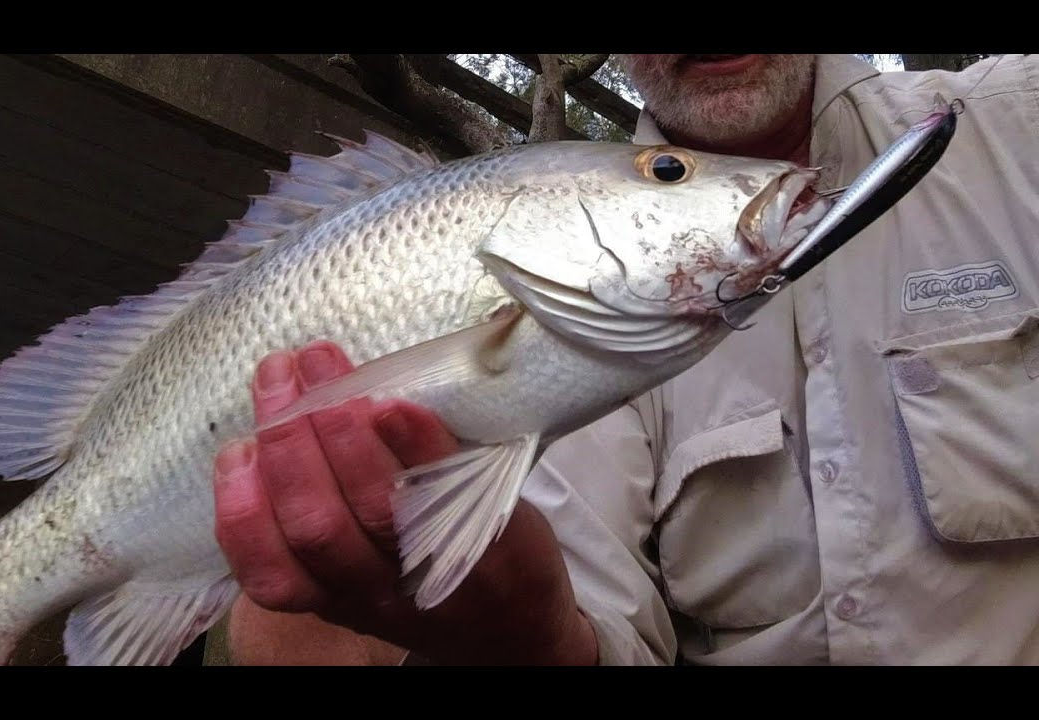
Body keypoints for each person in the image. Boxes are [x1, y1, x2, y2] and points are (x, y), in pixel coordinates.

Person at [209, 54, 1039, 665]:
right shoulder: (582, 345)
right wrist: (534, 636)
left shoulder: (1019, 123)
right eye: (668, 175)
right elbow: (601, 632)